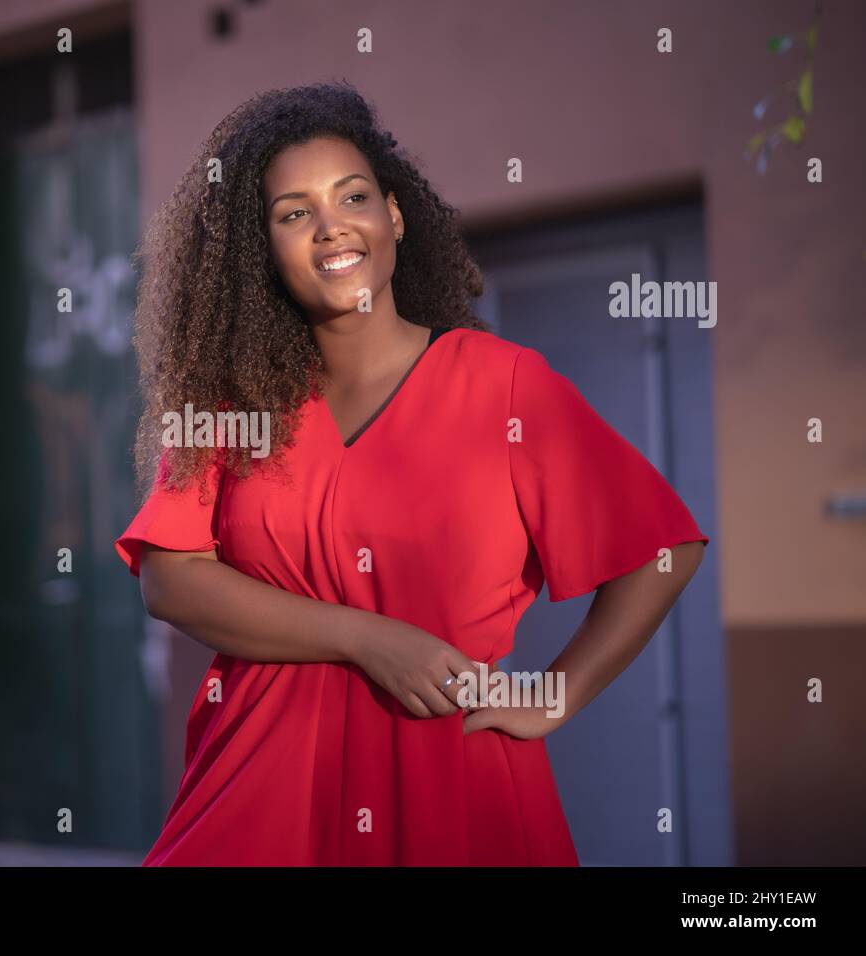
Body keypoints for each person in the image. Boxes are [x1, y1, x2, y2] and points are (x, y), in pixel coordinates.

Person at [114, 81, 709, 866]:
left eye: (352, 196)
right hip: (259, 788)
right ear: (265, 251)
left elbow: (662, 551)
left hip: (450, 779)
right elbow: (171, 580)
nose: (332, 228)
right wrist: (367, 639)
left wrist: (553, 694)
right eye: (294, 213)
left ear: (393, 215)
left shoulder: (505, 386)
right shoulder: (235, 405)